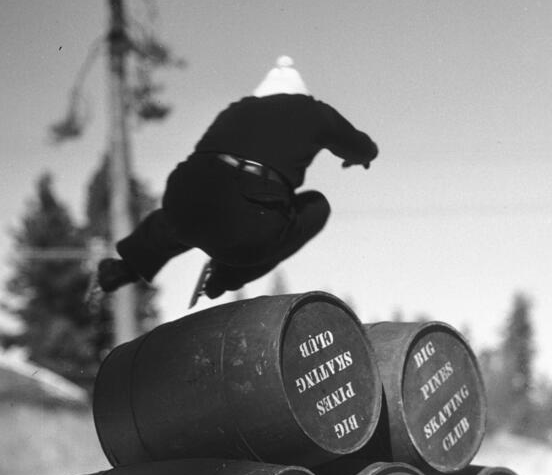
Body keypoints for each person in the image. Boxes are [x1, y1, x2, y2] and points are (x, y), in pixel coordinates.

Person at [95, 55, 379, 307]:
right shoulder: (314, 111)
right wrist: (360, 157)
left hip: (184, 197)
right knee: (315, 206)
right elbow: (362, 146)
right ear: (300, 93)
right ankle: (225, 276)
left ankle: (126, 266)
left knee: (186, 212)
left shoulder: (236, 109)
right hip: (248, 224)